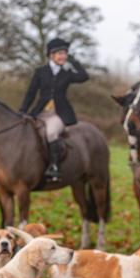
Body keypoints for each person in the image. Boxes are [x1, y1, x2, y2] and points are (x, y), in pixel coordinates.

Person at [19, 38, 89, 182]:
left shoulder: (67, 73)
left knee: (51, 133)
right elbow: (31, 93)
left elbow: (84, 77)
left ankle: (54, 167)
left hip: (58, 114)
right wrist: (22, 111)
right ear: (51, 55)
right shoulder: (40, 72)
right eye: (60, 54)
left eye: (65, 54)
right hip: (39, 113)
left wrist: (74, 61)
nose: (63, 56)